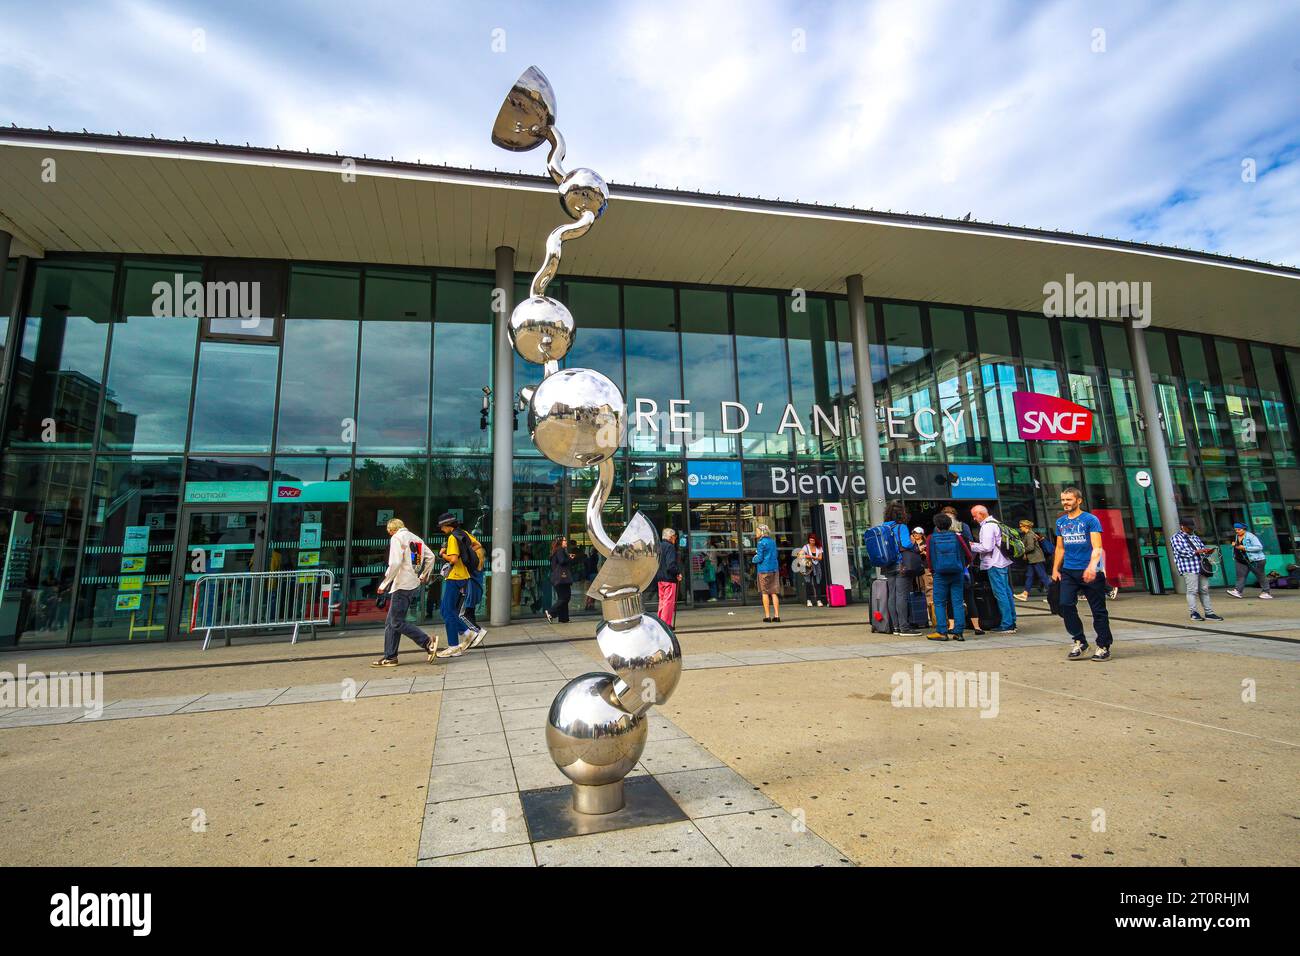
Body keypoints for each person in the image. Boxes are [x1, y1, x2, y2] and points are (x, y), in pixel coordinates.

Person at [1052, 486, 1113, 661]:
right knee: (1065, 605)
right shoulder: (1061, 522)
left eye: (1069, 499)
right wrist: (1055, 569)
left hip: (1091, 572)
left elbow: (1097, 547)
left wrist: (1092, 567)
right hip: (1069, 571)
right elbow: (1059, 548)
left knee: (1098, 611)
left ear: (1078, 501)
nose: (1065, 503)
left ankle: (1103, 645)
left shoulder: (1090, 520)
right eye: (1063, 500)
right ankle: (1080, 641)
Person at [371, 517, 436, 667]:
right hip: (412, 583)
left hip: (401, 584)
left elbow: (395, 562)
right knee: (391, 622)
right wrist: (423, 575)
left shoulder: (397, 538)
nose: (389, 534)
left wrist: (384, 584)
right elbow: (431, 557)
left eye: (389, 531)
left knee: (396, 622)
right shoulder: (415, 538)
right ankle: (390, 656)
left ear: (391, 530)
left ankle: (427, 642)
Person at [434, 512, 487, 659]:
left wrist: (441, 554)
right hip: (464, 576)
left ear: (447, 525)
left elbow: (453, 560)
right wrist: (469, 555)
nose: (441, 529)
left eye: (442, 526)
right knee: (446, 610)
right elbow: (478, 545)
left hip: (455, 577)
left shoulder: (452, 538)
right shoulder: (463, 533)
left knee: (448, 611)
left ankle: (454, 646)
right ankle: (466, 633)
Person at [926, 512, 974, 642]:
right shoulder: (958, 537)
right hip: (957, 573)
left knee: (940, 603)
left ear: (936, 525)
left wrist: (932, 570)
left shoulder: (931, 538)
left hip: (939, 574)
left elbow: (929, 558)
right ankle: (959, 633)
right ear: (949, 524)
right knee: (957, 602)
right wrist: (963, 565)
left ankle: (942, 632)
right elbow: (969, 555)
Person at [969, 504, 1017, 633]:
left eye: (974, 516)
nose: (974, 519)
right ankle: (1011, 621)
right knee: (1006, 593)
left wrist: (971, 545)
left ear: (981, 514)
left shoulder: (988, 526)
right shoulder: (996, 522)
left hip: (994, 563)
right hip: (1003, 562)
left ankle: (1007, 624)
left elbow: (986, 547)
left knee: (1000, 594)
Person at [880, 501, 922, 636]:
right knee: (901, 595)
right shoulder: (901, 527)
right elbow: (906, 544)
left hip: (888, 565)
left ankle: (896, 627)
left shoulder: (883, 527)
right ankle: (904, 627)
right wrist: (914, 544)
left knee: (892, 595)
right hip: (901, 564)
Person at [1171, 517, 1223, 622]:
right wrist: (1197, 551)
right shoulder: (1176, 537)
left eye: (1192, 528)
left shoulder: (1195, 537)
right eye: (1189, 528)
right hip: (1189, 567)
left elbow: (1201, 548)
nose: (1191, 530)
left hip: (1201, 566)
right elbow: (1180, 551)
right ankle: (1193, 613)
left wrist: (1206, 551)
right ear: (1183, 526)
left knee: (1204, 590)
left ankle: (1209, 613)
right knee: (1192, 590)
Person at [943, 505, 983, 634]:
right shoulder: (963, 526)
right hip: (963, 566)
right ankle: (976, 626)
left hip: (949, 567)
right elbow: (970, 545)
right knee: (968, 596)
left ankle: (952, 626)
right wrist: (968, 562)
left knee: (951, 597)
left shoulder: (939, 528)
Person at [1227, 522, 1273, 599]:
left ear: (1244, 529)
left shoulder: (1251, 536)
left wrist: (1245, 548)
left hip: (1255, 560)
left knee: (1260, 576)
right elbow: (1238, 546)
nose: (1237, 531)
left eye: (1239, 529)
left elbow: (1259, 547)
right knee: (1240, 576)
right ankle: (1238, 591)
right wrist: (1234, 546)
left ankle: (1266, 592)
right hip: (1241, 560)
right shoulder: (1237, 536)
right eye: (1236, 530)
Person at [1015, 519, 1051, 601]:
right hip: (1032, 559)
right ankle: (1025, 594)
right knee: (1029, 576)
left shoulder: (1029, 535)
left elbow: (1031, 547)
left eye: (1021, 526)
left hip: (1036, 559)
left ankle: (1054, 595)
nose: (1020, 528)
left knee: (1043, 577)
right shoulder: (1028, 534)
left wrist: (1022, 551)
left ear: (1025, 526)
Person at [752, 524, 781, 623]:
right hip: (774, 568)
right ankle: (777, 616)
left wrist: (753, 558)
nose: (756, 533)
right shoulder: (772, 542)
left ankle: (768, 616)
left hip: (764, 569)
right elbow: (775, 554)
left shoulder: (760, 543)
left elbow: (759, 558)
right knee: (774, 592)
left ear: (762, 532)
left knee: (765, 592)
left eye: (757, 531)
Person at [654, 528, 682, 626]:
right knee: (668, 602)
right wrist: (677, 573)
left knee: (662, 601)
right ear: (671, 537)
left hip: (660, 578)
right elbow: (671, 565)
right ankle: (666, 623)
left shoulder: (659, 547)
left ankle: (660, 622)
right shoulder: (670, 547)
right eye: (675, 537)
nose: (675, 539)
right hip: (669, 578)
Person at [545, 536, 574, 624]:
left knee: (563, 598)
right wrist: (569, 558)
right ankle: (550, 612)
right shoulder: (560, 550)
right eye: (564, 540)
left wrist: (568, 557)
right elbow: (562, 561)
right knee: (565, 597)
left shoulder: (556, 551)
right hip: (562, 578)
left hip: (558, 579)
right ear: (560, 542)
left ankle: (564, 618)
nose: (566, 542)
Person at [796, 533, 826, 607]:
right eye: (810, 540)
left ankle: (819, 600)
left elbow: (820, 558)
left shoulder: (819, 547)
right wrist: (807, 556)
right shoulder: (806, 547)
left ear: (815, 541)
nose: (811, 542)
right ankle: (808, 600)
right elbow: (800, 555)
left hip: (817, 567)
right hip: (808, 566)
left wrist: (811, 556)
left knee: (817, 583)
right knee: (808, 583)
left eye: (813, 540)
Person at [910, 527, 933, 623]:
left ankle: (932, 613)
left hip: (926, 568)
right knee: (920, 589)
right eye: (914, 533)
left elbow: (931, 555)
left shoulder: (926, 543)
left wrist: (924, 552)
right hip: (917, 569)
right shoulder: (911, 545)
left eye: (918, 533)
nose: (916, 534)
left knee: (929, 589)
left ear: (922, 534)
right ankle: (923, 614)